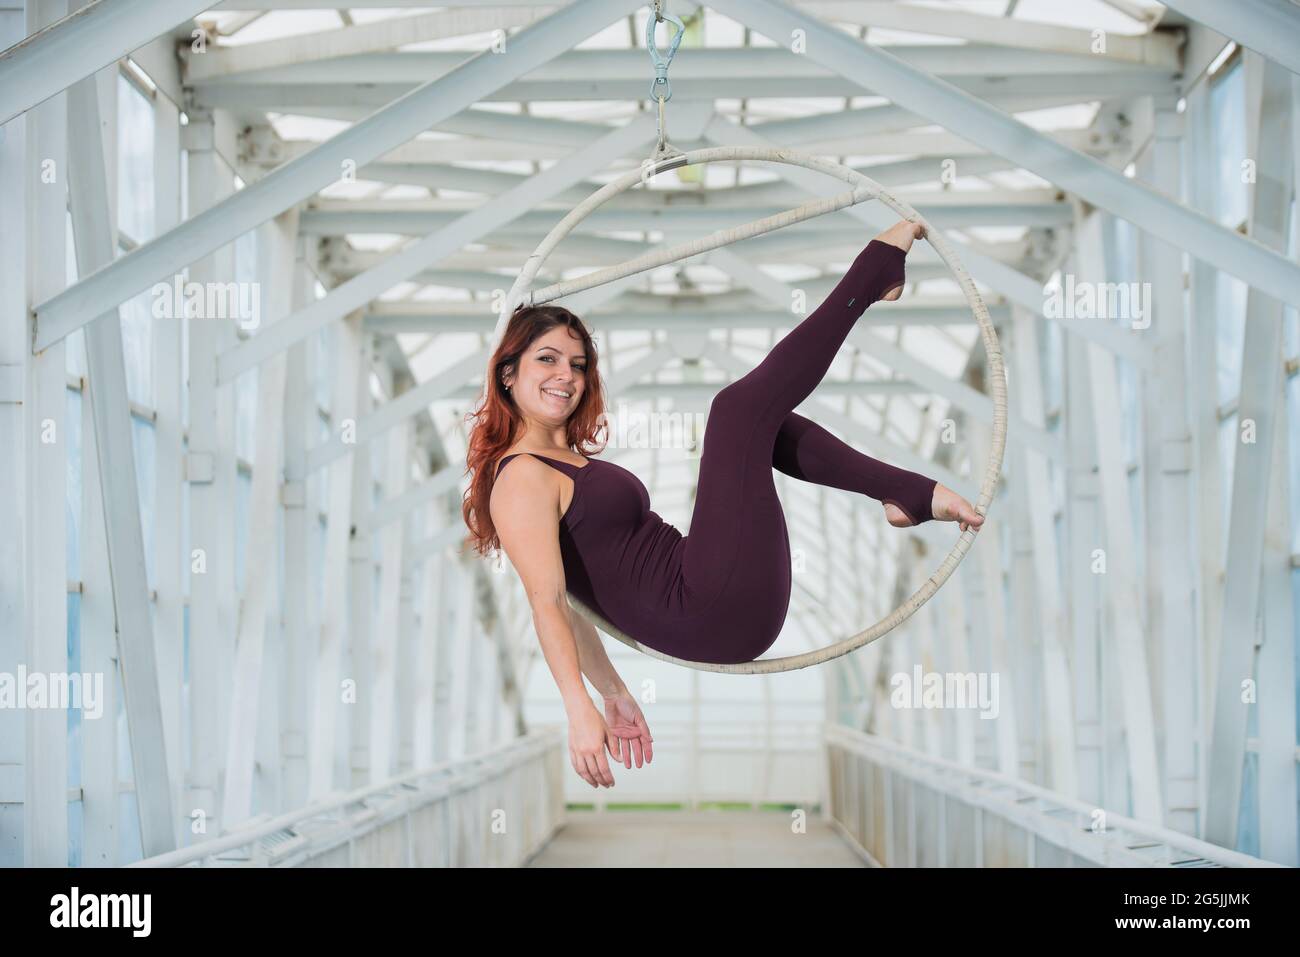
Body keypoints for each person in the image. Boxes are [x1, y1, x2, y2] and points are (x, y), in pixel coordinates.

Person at [461, 220, 984, 789]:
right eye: (547, 359)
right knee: (737, 412)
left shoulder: (563, 464)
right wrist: (578, 708)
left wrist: (613, 694)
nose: (567, 375)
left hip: (714, 597)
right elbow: (548, 601)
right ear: (507, 373)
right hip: (707, 605)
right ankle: (873, 274)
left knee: (760, 424)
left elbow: (574, 608)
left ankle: (906, 493)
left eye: (578, 363)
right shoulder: (520, 479)